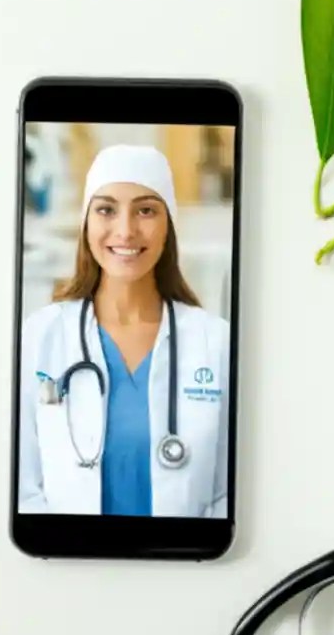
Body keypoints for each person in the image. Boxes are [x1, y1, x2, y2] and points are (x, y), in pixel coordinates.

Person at [18, 144, 230, 518]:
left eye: (146, 210)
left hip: (187, 569)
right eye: (106, 209)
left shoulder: (216, 342)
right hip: (69, 564)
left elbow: (229, 493)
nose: (126, 230)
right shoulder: (41, 336)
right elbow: (22, 487)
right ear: (87, 223)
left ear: (169, 226)